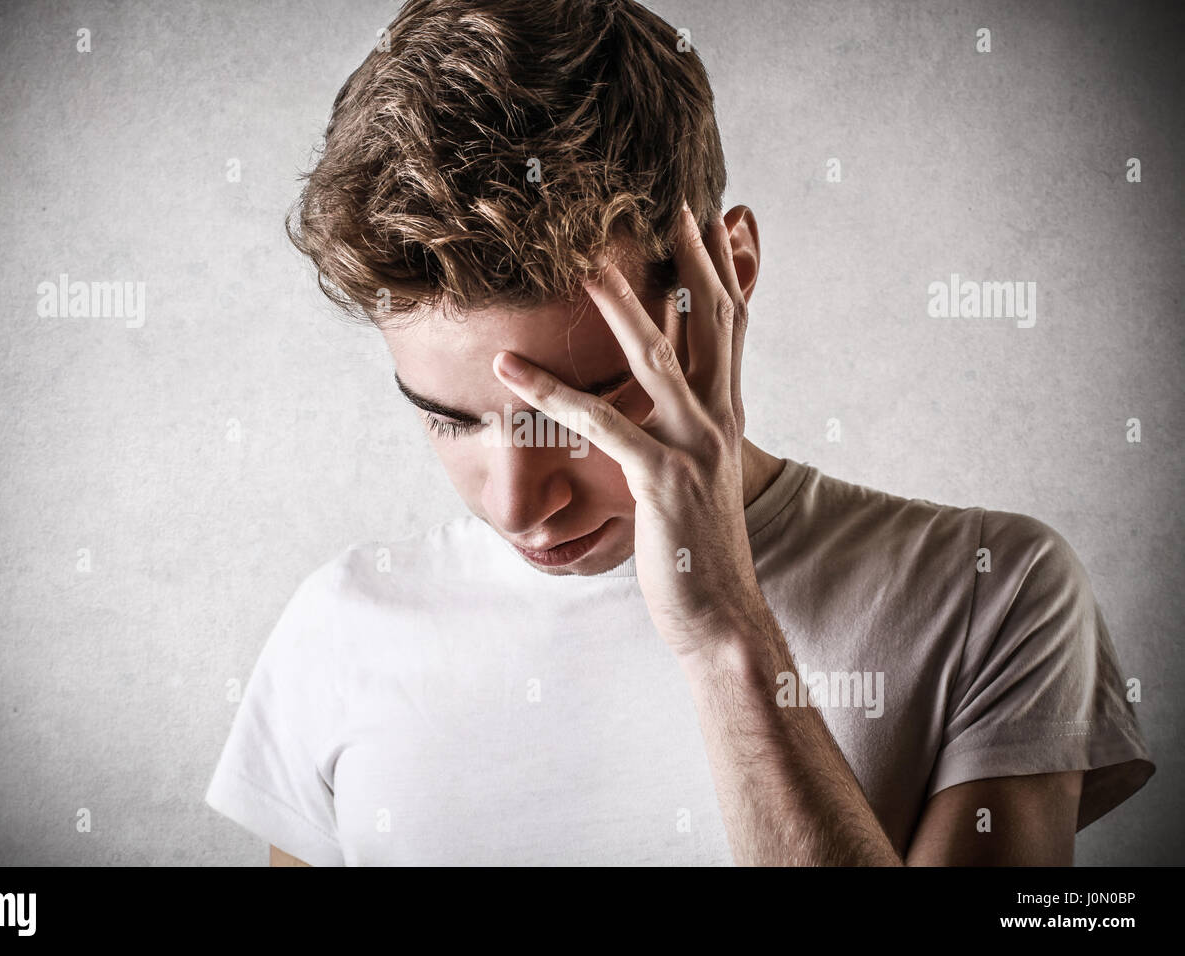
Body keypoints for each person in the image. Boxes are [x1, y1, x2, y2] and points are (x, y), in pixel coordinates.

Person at [206, 0, 1154, 865]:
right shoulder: (338, 631)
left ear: (726, 276)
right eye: (448, 421)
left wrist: (724, 631)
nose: (518, 504)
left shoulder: (993, 593)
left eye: (589, 411)